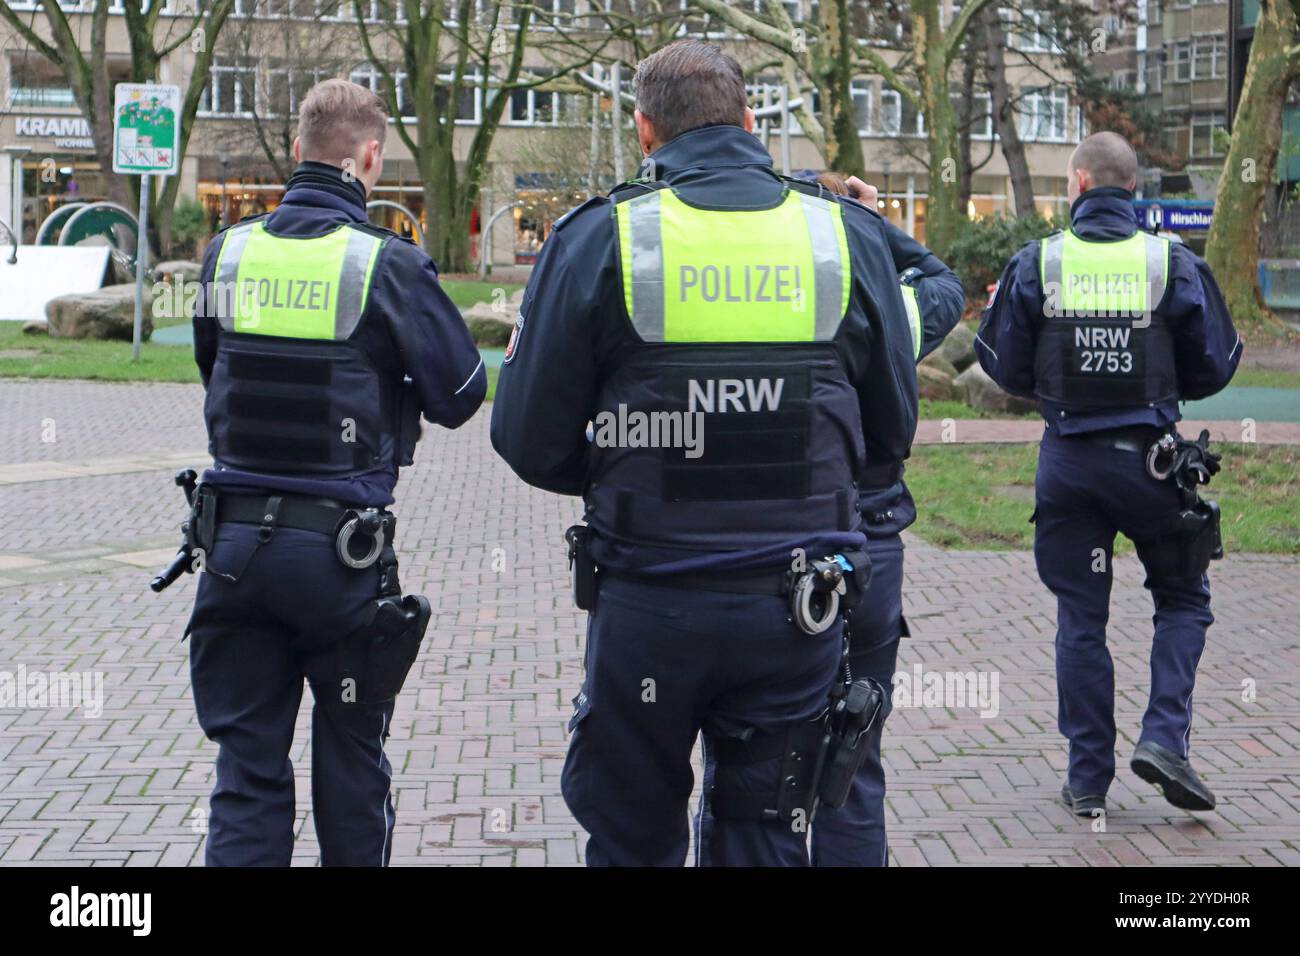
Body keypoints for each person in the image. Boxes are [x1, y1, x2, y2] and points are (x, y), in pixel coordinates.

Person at [491, 40, 919, 866]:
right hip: (795, 608)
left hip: (651, 599)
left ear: (644, 132)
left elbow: (527, 439)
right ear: (752, 122)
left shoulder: (598, 237)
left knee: (631, 835)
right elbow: (889, 436)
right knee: (764, 834)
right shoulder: (845, 236)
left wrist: (629, 466)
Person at [187, 78, 487, 865]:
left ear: (296, 150)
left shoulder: (230, 251)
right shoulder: (386, 264)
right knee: (352, 766)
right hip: (338, 561)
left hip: (234, 553)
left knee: (246, 771)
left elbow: (213, 371)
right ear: (371, 158)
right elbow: (461, 395)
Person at [976, 131, 1241, 816]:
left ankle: (1088, 780)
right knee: (1183, 599)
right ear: (1133, 189)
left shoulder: (1040, 262)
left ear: (1081, 184)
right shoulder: (1170, 263)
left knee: (1081, 619)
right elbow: (1215, 363)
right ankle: (1165, 741)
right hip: (1150, 464)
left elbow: (1002, 368)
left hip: (1068, 466)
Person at [798, 171, 965, 866]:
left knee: (745, 767)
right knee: (852, 757)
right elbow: (944, 284)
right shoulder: (885, 299)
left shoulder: (759, 299)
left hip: (760, 542)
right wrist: (872, 223)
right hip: (866, 538)